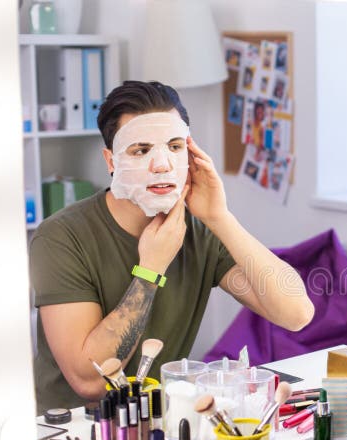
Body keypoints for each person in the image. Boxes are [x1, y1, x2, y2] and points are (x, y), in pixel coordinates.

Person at [30, 81, 315, 413]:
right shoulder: (61, 238)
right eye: (141, 150)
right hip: (72, 432)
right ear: (111, 160)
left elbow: (297, 314)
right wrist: (150, 270)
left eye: (175, 147)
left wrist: (220, 217)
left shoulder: (201, 230)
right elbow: (91, 382)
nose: (162, 164)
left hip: (157, 420)